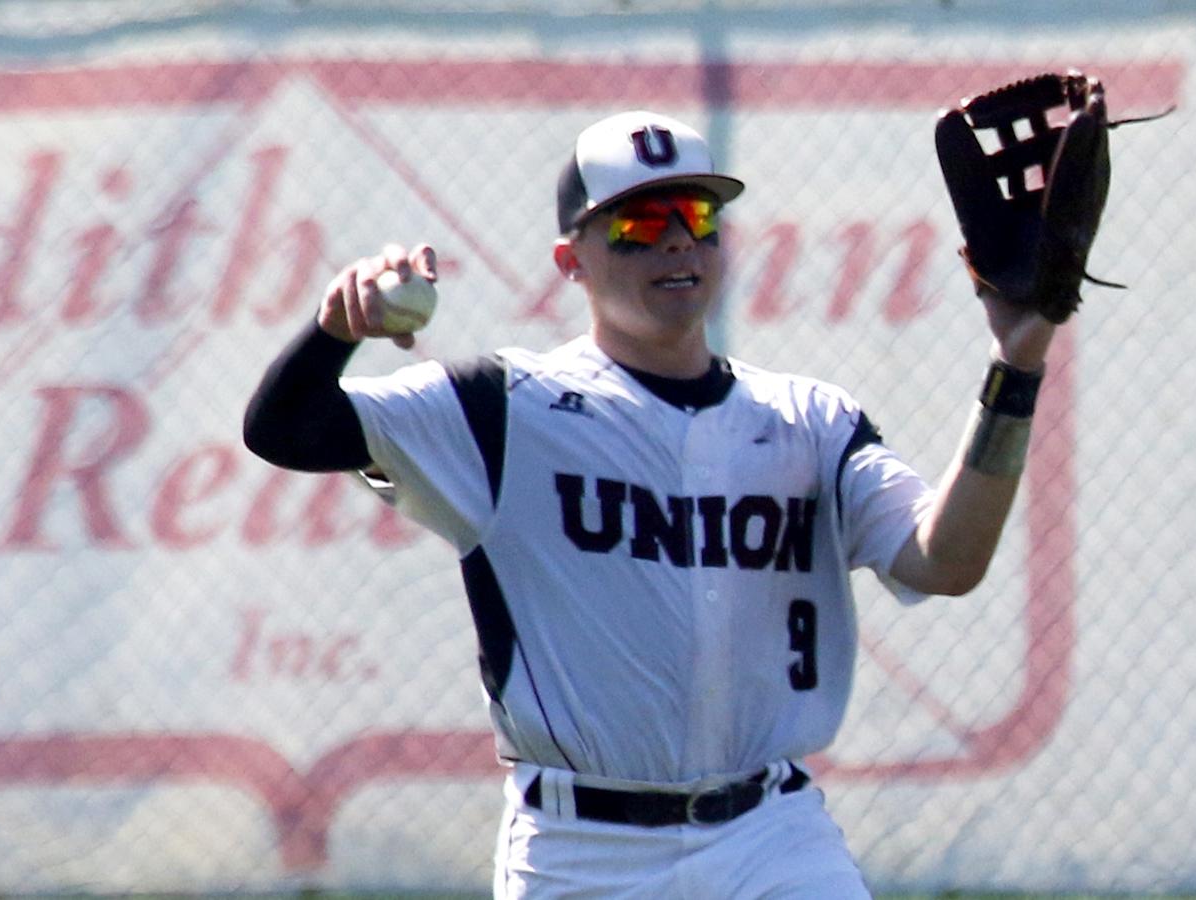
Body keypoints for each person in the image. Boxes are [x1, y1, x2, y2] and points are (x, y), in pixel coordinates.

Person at [243, 109, 1056, 900]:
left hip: (770, 837)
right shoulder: (501, 410)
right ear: (572, 260)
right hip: (580, 850)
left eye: (697, 215)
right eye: (637, 222)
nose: (676, 238)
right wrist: (336, 331)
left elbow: (946, 561)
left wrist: (1014, 366)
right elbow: (285, 429)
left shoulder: (810, 421)